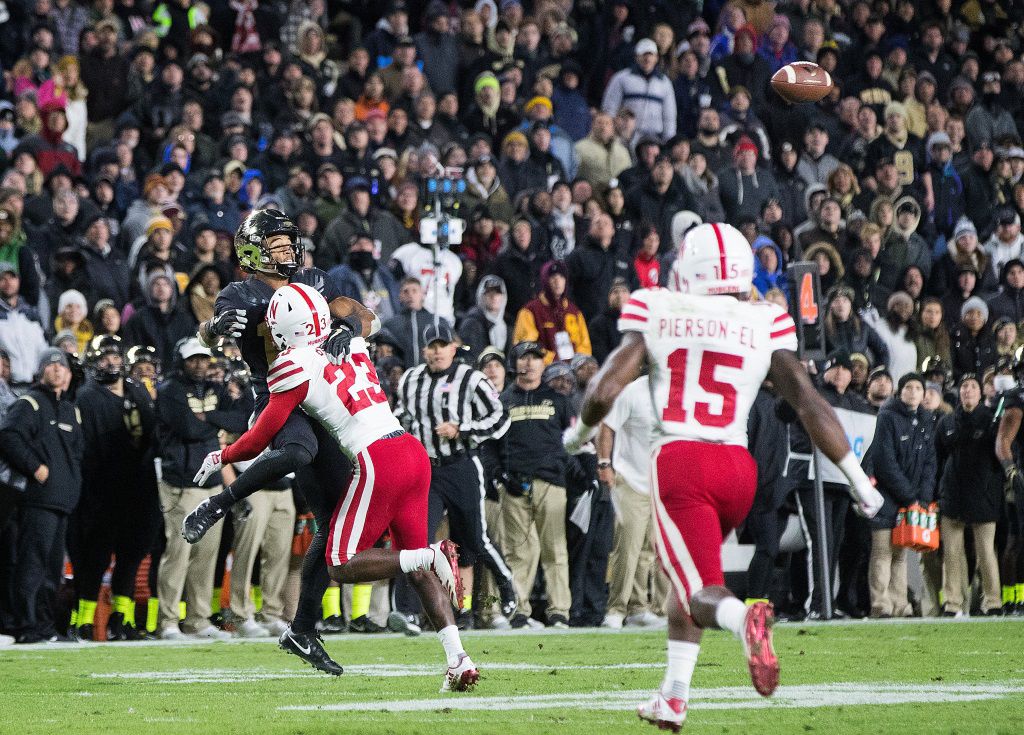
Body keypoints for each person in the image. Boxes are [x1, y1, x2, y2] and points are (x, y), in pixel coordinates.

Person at [563, 223, 883, 731]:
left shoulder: (658, 308)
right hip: (738, 468)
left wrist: (578, 433)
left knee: (700, 592)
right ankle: (674, 696)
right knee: (689, 580)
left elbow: (603, 392)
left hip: (682, 462)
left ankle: (742, 618)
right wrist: (859, 480)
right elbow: (809, 403)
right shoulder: (765, 318)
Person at [192, 284, 480, 692]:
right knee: (411, 566)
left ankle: (430, 555)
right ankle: (458, 658)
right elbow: (366, 318)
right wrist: (348, 326)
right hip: (411, 450)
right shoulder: (350, 340)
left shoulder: (291, 364)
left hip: (378, 459)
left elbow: (258, 439)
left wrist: (223, 456)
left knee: (342, 562)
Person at [183, 208, 374, 675]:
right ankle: (217, 504)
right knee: (297, 450)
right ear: (254, 251)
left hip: (323, 400)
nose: (288, 250)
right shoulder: (240, 293)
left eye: (290, 242)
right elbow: (208, 333)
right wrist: (215, 329)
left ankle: (302, 629)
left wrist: (347, 329)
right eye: (278, 243)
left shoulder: (313, 280)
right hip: (277, 398)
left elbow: (364, 315)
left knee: (334, 521)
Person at [393, 322, 517, 629]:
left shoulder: (471, 378)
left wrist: (463, 429)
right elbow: (401, 417)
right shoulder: (410, 379)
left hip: (461, 465)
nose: (437, 352)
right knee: (416, 541)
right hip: (426, 470)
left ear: (453, 348)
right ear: (424, 350)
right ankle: (407, 611)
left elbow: (500, 417)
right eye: (432, 346)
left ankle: (506, 583)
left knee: (475, 538)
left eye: (442, 346)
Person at [155, 337, 247, 641]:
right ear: (181, 361)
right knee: (178, 553)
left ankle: (198, 620)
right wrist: (216, 425)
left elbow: (241, 420)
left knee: (206, 555)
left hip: (212, 482)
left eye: (203, 358)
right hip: (182, 482)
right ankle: (169, 621)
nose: (199, 364)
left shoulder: (214, 389)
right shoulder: (170, 389)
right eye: (192, 359)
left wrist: (208, 417)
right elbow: (188, 428)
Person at [70, 335, 158, 641]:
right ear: (93, 363)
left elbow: (152, 437)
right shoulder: (87, 398)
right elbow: (86, 449)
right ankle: (83, 621)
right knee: (95, 558)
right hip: (102, 490)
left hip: (139, 488)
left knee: (132, 557)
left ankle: (123, 619)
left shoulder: (138, 391)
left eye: (115, 356)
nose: (111, 362)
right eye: (104, 357)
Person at [0, 348, 83, 643]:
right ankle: (26, 626)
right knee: (32, 565)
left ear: (69, 374)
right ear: (40, 371)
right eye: (51, 365)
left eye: (62, 366)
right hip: (37, 500)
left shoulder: (72, 410)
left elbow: (77, 454)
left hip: (62, 502)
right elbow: (8, 436)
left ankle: (45, 626)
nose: (57, 369)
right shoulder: (30, 403)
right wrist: (35, 467)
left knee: (51, 569)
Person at [498, 340, 575, 628]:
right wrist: (500, 476)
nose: (529, 363)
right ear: (514, 363)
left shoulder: (558, 400)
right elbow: (491, 444)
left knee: (555, 549)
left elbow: (573, 441)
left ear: (543, 364)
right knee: (519, 551)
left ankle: (559, 611)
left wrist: (566, 472)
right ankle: (518, 610)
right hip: (513, 485)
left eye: (535, 358)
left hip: (551, 483)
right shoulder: (504, 400)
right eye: (523, 358)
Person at [863, 372, 936, 618]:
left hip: (911, 500)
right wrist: (909, 496)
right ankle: (881, 605)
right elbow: (884, 462)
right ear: (900, 391)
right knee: (882, 552)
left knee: (901, 554)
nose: (913, 392)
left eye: (918, 388)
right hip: (886, 497)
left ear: (923, 394)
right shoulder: (887, 417)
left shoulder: (926, 420)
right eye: (908, 387)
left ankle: (900, 604)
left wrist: (922, 498)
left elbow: (930, 463)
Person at [598, 374, 666, 629]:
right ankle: (615, 610)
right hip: (631, 480)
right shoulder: (633, 391)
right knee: (627, 547)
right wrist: (604, 463)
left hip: (664, 483)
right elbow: (607, 426)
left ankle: (640, 608)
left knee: (652, 550)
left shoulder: (681, 389)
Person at [935, 373, 1002, 617]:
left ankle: (993, 602)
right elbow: (938, 459)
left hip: (984, 496)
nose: (968, 390)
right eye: (964, 386)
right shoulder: (946, 422)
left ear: (980, 392)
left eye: (973, 386)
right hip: (953, 496)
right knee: (952, 554)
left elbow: (1000, 456)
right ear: (959, 391)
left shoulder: (992, 420)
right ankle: (953, 604)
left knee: (986, 551)